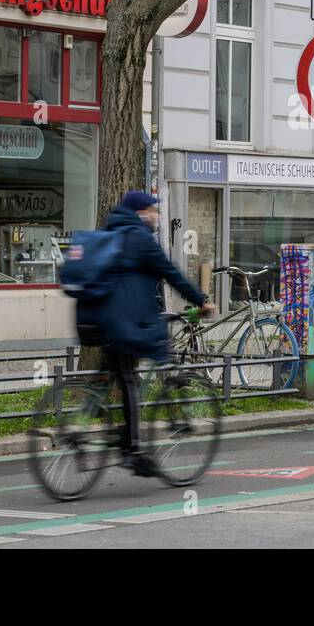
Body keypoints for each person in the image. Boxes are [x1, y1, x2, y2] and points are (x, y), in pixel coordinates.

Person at [101, 190, 215, 475]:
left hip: (100, 317)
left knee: (119, 376)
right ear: (140, 213)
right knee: (129, 382)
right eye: (153, 210)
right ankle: (135, 451)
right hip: (123, 322)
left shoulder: (111, 231)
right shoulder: (140, 238)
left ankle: (114, 429)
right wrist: (201, 300)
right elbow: (171, 273)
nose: (157, 216)